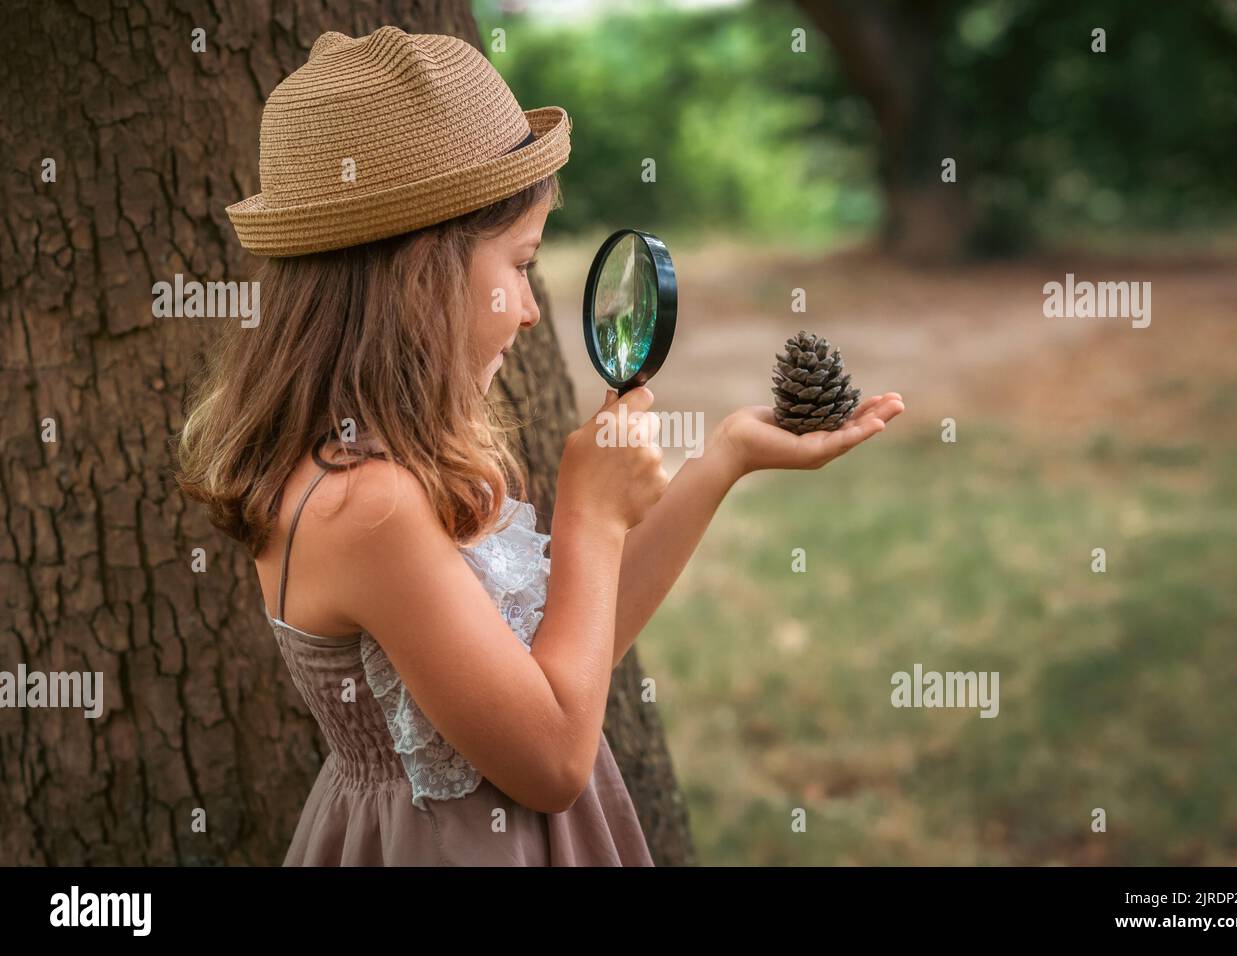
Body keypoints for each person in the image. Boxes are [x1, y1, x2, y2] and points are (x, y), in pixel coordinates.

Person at [174, 25, 904, 866]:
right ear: (424, 275)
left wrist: (725, 460)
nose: (528, 310)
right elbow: (555, 760)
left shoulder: (387, 463)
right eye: (519, 265)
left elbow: (566, 668)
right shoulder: (361, 505)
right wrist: (589, 515)